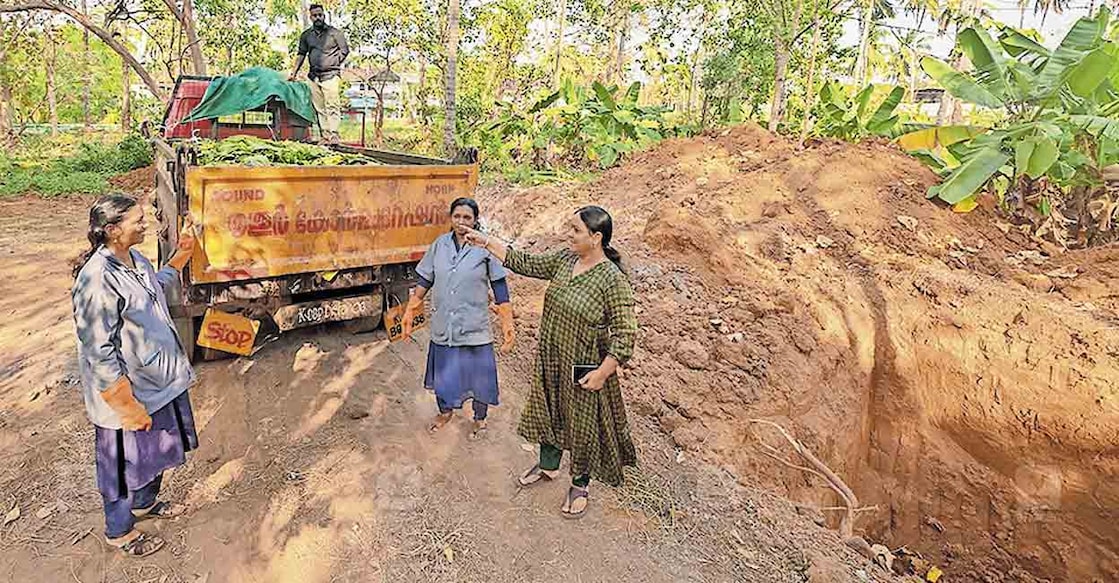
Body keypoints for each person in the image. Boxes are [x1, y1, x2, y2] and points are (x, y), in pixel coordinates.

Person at [463, 206, 638, 519]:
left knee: (582, 426)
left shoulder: (612, 281)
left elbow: (625, 334)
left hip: (585, 367)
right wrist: (485, 241)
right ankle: (548, 467)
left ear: (596, 238)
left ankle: (580, 484)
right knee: (550, 412)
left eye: (575, 231)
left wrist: (602, 372)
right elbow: (525, 262)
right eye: (568, 228)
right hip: (552, 357)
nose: (567, 235)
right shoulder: (564, 260)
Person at [71, 194, 199, 557]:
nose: (145, 225)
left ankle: (146, 504)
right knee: (122, 466)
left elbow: (156, 287)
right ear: (112, 230)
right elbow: (98, 349)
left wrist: (184, 251)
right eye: (137, 221)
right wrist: (124, 404)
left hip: (159, 382)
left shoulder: (134, 259)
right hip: (130, 393)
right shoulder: (96, 279)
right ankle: (120, 531)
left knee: (158, 452)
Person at [402, 198, 515, 438]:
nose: (462, 222)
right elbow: (426, 279)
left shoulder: (485, 247)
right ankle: (445, 413)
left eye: (467, 217)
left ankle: (479, 418)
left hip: (474, 325)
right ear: (451, 218)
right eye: (457, 216)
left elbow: (499, 284)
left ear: (475, 220)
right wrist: (412, 307)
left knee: (478, 376)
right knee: (444, 373)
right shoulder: (439, 245)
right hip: (445, 323)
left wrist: (507, 320)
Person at [289, 3, 350, 145]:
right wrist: (293, 73)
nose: (318, 18)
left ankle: (334, 134)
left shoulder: (335, 33)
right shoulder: (306, 36)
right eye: (315, 16)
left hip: (330, 75)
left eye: (320, 15)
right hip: (313, 76)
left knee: (332, 105)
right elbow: (301, 54)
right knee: (320, 108)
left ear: (324, 16)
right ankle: (326, 136)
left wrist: (333, 63)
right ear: (311, 17)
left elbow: (344, 50)